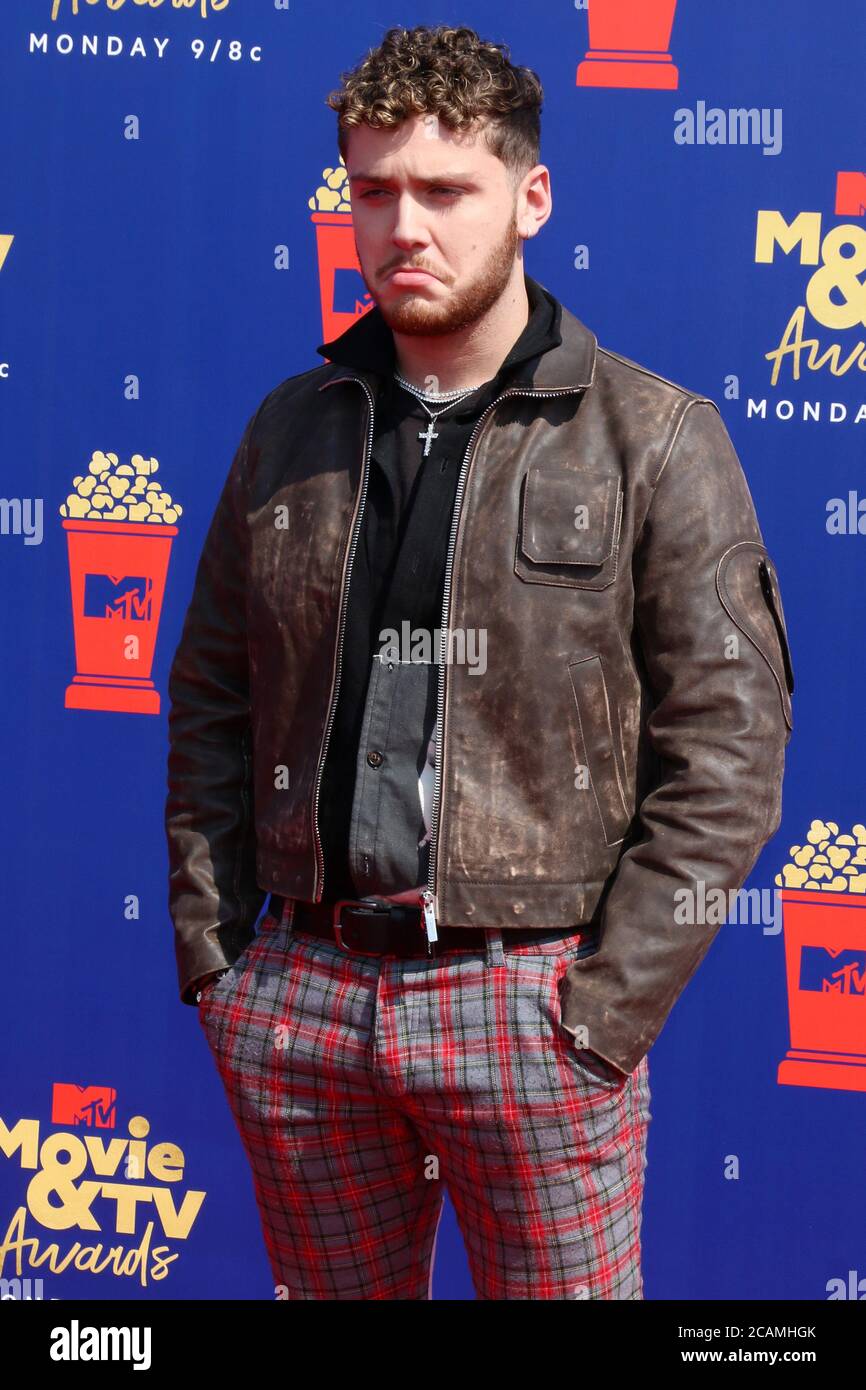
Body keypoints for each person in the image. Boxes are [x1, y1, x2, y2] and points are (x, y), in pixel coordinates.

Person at [164, 23, 794, 1300]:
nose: (405, 226)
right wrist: (224, 956)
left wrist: (599, 1015)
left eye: (445, 190)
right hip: (302, 1000)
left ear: (529, 197)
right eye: (373, 190)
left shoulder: (655, 440)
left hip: (532, 1005)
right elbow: (211, 702)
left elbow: (727, 757)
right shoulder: (289, 430)